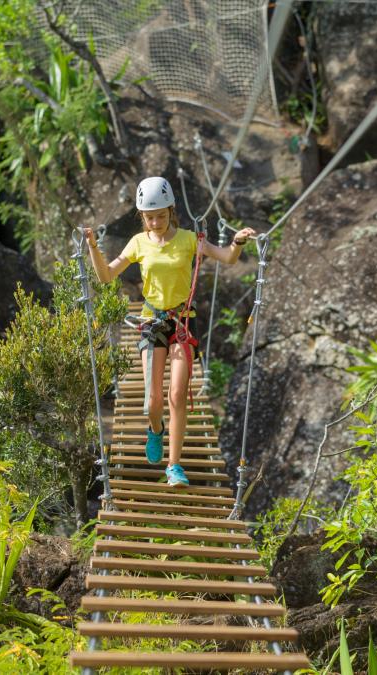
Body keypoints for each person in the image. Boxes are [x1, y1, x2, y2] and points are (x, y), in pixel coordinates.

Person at [83, 176, 255, 488]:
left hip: (183, 322)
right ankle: (155, 429)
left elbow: (228, 257)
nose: (156, 222)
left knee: (176, 394)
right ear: (142, 217)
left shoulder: (190, 239)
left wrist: (239, 240)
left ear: (171, 211)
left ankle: (174, 466)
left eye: (161, 215)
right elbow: (106, 275)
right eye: (150, 217)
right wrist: (94, 246)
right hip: (151, 322)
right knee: (153, 403)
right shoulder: (138, 243)